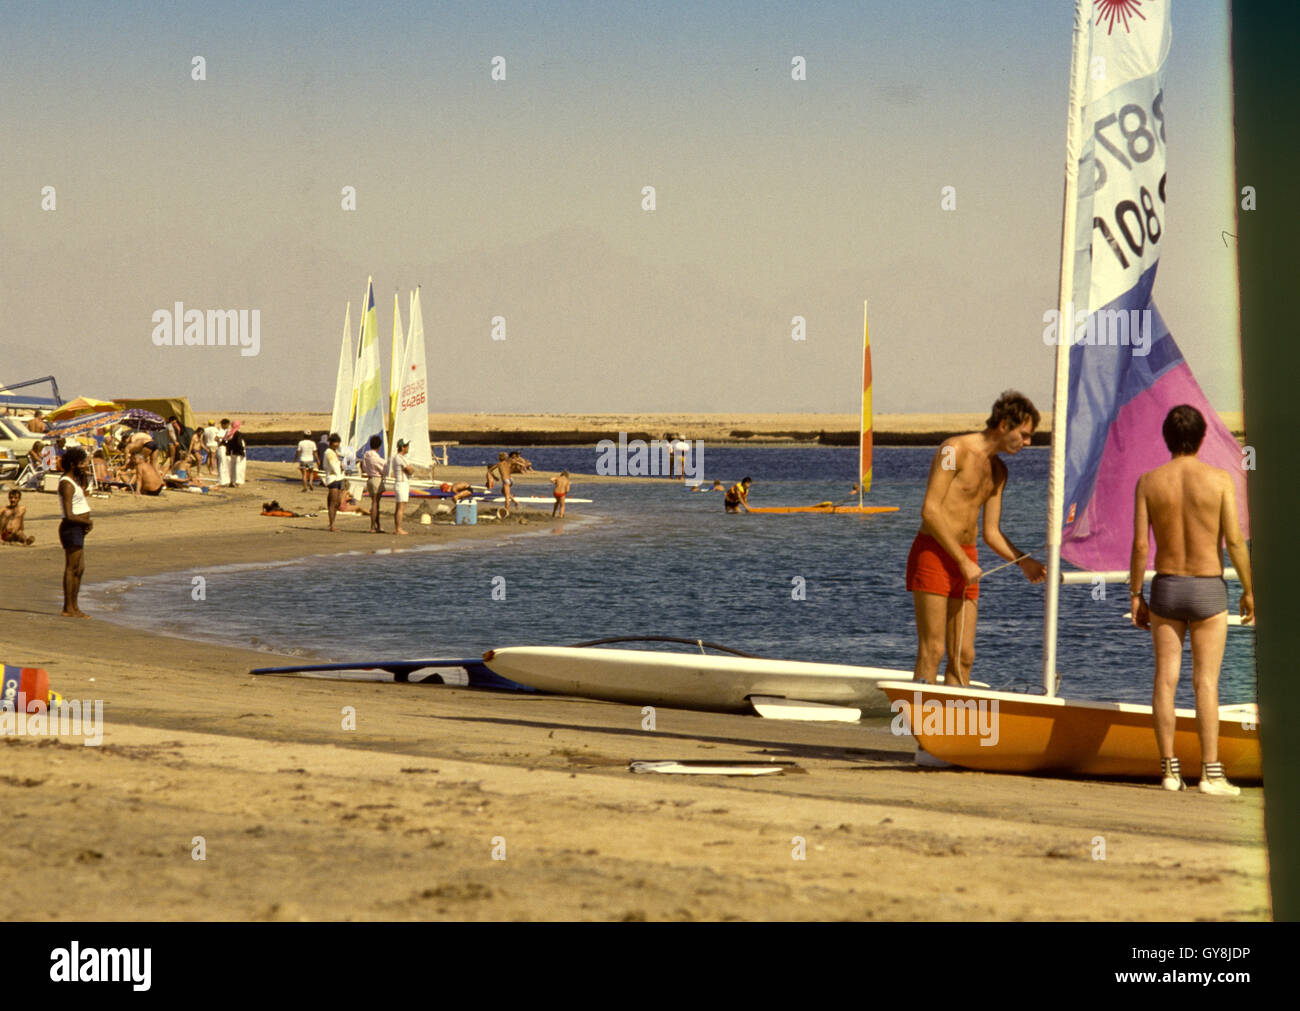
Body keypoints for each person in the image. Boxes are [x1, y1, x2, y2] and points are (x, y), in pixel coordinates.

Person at [1130, 405, 1255, 796]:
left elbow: (1139, 546)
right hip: (1206, 588)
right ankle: (1211, 773)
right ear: (1202, 438)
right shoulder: (1220, 481)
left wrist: (1135, 593)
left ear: (1167, 438)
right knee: (1206, 682)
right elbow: (1234, 541)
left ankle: (1168, 772)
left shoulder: (1149, 482)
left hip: (1166, 588)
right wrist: (1250, 589)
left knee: (1165, 680)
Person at [908, 390, 1046, 706]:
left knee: (964, 655)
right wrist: (960, 560)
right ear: (1003, 424)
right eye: (1023, 435)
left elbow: (991, 533)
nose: (1027, 443)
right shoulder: (952, 449)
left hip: (967, 558)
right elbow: (930, 511)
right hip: (934, 551)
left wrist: (1023, 561)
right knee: (933, 649)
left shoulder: (999, 471)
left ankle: (951, 733)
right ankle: (918, 732)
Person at [58, 446, 93, 617]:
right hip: (72, 528)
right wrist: (87, 521)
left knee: (80, 568)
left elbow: (84, 492)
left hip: (78, 528)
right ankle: (68, 607)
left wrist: (83, 473)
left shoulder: (75, 481)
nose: (85, 465)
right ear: (73, 464)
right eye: (82, 463)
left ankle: (75, 606)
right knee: (71, 568)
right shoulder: (66, 484)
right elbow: (69, 515)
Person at [360, 435, 387, 532]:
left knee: (375, 503)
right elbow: (384, 469)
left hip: (370, 479)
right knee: (375, 503)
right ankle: (372, 527)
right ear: (379, 446)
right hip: (376, 479)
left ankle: (378, 525)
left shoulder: (366, 455)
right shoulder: (376, 458)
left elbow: (364, 468)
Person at [323, 433, 346, 531]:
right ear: (331, 443)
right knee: (333, 503)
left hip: (338, 478)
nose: (337, 444)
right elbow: (334, 466)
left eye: (338, 443)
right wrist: (341, 468)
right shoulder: (329, 452)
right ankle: (331, 525)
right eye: (335, 443)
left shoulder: (334, 452)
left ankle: (332, 523)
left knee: (337, 503)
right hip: (333, 479)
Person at [390, 438, 413, 535]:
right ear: (403, 447)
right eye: (407, 446)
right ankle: (398, 528)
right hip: (402, 483)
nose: (408, 448)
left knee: (399, 507)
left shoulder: (397, 457)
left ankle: (397, 528)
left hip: (400, 483)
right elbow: (410, 470)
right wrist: (411, 470)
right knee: (401, 507)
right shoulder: (400, 458)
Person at [226, 422, 247, 487]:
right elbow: (239, 443)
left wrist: (229, 451)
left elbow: (228, 443)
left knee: (233, 467)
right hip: (238, 453)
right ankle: (237, 481)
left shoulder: (230, 433)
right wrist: (242, 451)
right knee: (239, 467)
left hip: (233, 452)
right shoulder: (238, 434)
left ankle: (232, 481)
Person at [216, 418, 232, 485]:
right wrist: (223, 439)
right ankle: (222, 480)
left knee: (227, 463)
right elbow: (216, 438)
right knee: (222, 464)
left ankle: (227, 479)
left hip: (226, 449)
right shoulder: (221, 431)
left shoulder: (227, 430)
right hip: (222, 448)